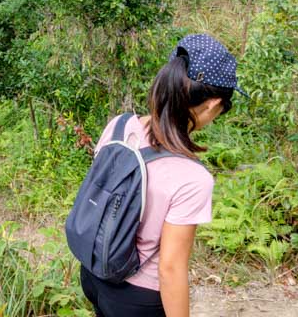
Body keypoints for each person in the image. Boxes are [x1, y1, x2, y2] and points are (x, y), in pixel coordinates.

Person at [79, 33, 247, 317]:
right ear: (211, 104)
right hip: (137, 298)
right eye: (223, 108)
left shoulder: (120, 125)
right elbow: (170, 269)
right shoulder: (192, 178)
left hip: (94, 272)